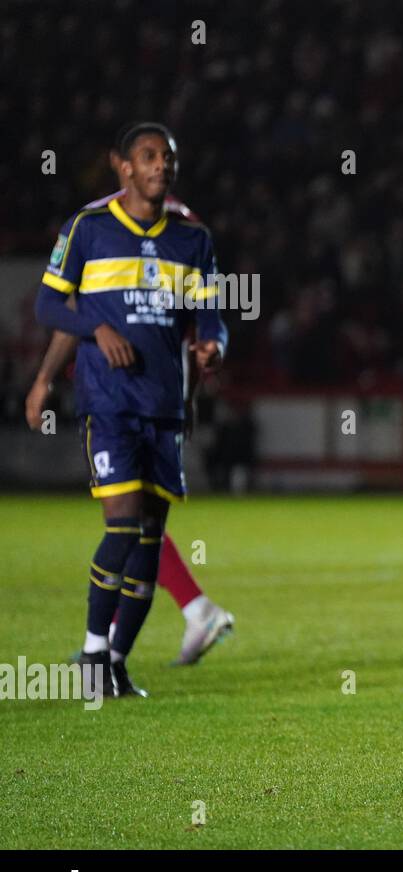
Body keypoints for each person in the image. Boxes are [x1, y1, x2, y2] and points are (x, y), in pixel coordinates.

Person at [27, 128, 234, 665]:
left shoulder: (192, 239)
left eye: (168, 156)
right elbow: (50, 308)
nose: (161, 165)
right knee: (121, 527)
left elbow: (211, 320)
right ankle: (95, 653)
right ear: (121, 165)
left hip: (165, 406)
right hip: (109, 402)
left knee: (148, 537)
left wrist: (213, 347)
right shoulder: (89, 228)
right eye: (149, 156)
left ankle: (115, 661)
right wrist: (69, 356)